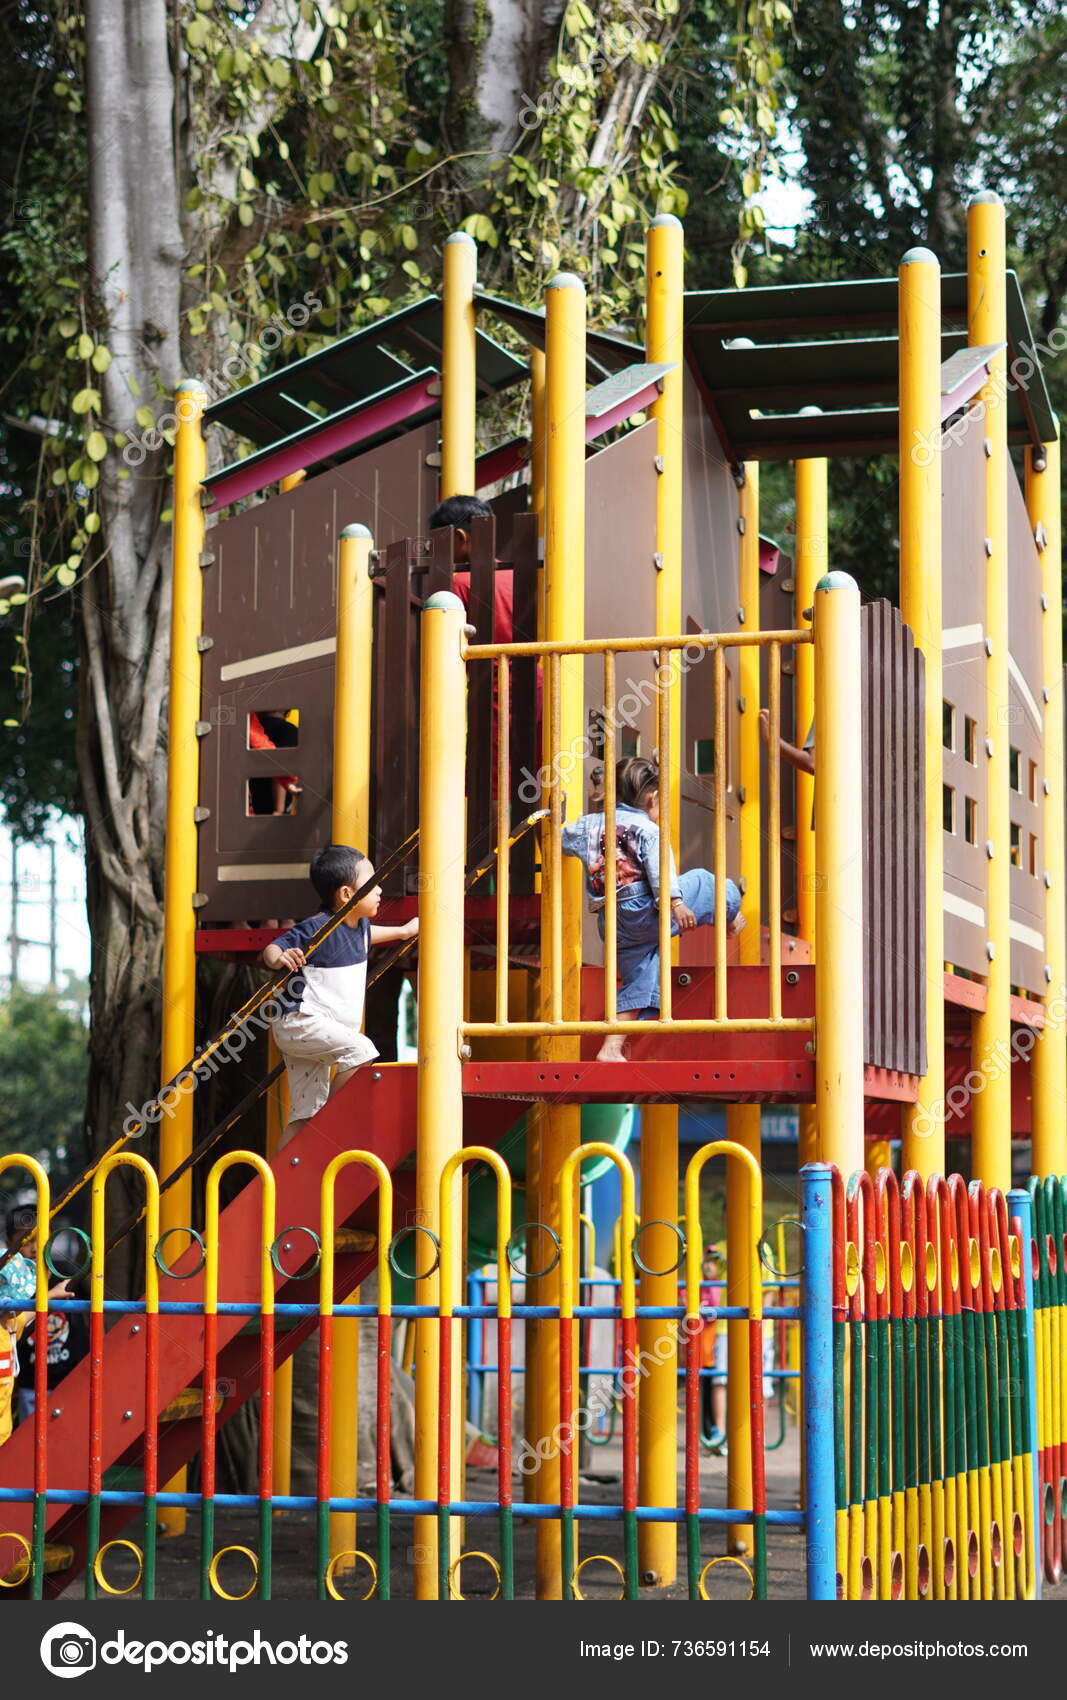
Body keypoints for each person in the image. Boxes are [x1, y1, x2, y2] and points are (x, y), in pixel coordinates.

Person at [561, 756, 744, 1062]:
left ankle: (611, 1047)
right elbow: (660, 871)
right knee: (703, 881)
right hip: (644, 911)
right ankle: (730, 915)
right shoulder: (648, 829)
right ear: (652, 798)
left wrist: (555, 816)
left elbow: (562, 839)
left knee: (645, 972)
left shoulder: (590, 826)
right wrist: (676, 903)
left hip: (611, 921)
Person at [262, 844, 418, 1146]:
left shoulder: (359, 927)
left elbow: (370, 935)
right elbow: (273, 947)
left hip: (314, 1031)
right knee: (362, 1051)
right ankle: (333, 1123)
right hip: (301, 1022)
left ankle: (281, 1184)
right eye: (372, 884)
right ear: (347, 894)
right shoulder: (319, 927)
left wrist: (403, 931)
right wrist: (278, 958)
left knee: (305, 1114)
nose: (380, 890)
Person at [5, 1206, 88, 1421]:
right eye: (26, 1240)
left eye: (40, 1239)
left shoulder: (67, 1275)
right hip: (29, 1382)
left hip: (69, 1377)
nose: (33, 1248)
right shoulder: (10, 1284)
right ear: (9, 1244)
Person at [0, 1245, 72, 1446]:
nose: (19, 1306)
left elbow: (29, 1313)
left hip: (3, 1436)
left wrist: (52, 1294)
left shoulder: (10, 1322)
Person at [699, 1243, 728, 1454]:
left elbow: (712, 1312)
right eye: (706, 1262)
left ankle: (716, 1435)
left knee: (716, 1390)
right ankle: (711, 1435)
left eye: (713, 1263)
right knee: (706, 1396)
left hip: (713, 1349)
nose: (709, 1266)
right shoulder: (699, 1285)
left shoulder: (719, 1287)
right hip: (701, 1352)